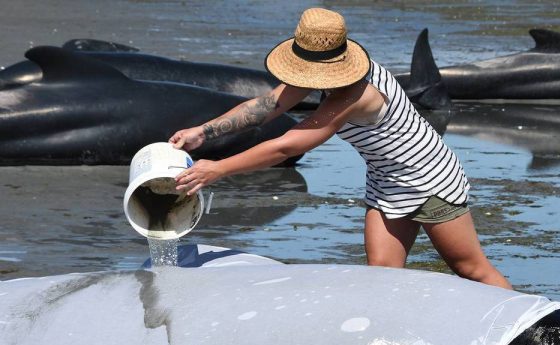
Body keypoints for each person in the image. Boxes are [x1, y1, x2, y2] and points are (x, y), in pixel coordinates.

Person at [169, 7, 512, 289]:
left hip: (430, 180)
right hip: (386, 181)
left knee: (470, 269)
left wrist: (217, 168)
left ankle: (532, 331)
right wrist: (203, 131)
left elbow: (287, 146)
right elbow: (267, 106)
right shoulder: (329, 69)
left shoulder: (356, 94)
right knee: (382, 276)